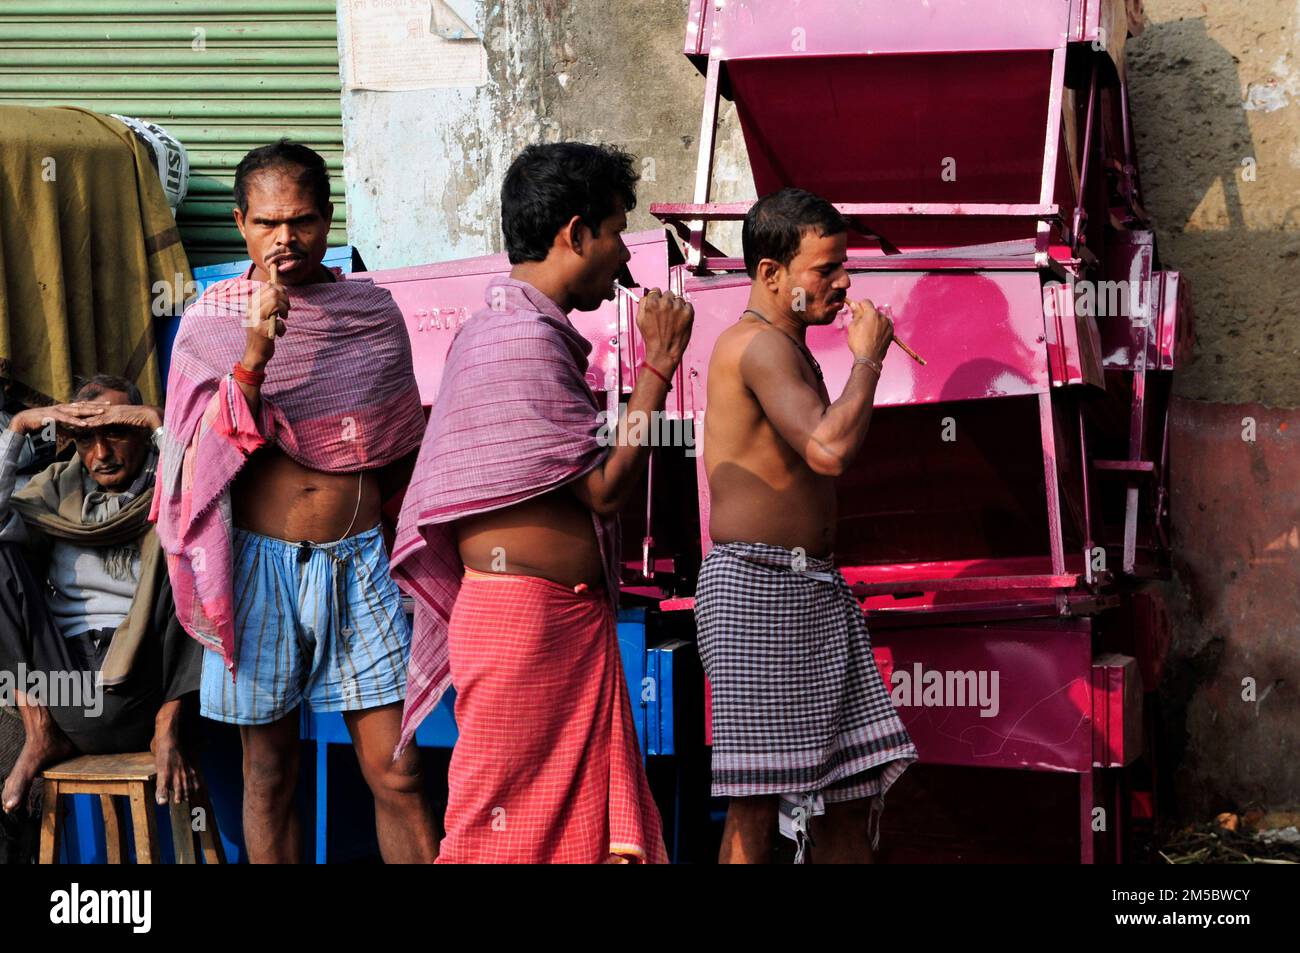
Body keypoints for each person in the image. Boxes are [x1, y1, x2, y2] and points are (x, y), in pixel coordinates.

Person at [392, 142, 691, 863]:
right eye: (617, 232)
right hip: (522, 627)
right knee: (494, 831)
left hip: (559, 627)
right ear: (576, 232)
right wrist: (657, 368)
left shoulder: (502, 332)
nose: (624, 260)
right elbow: (607, 490)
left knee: (580, 838)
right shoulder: (519, 340)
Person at [153, 140, 438, 862]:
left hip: (360, 565)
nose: (288, 238)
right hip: (256, 572)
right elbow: (193, 468)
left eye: (304, 220)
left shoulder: (370, 317)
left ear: (327, 218)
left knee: (398, 770)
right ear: (242, 222)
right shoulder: (212, 322)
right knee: (267, 772)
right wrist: (251, 359)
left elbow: (403, 448)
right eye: (270, 222)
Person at [695, 187, 917, 863]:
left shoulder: (786, 346)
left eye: (844, 264)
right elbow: (829, 449)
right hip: (759, 591)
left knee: (850, 789)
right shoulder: (759, 346)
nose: (845, 281)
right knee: (755, 803)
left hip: (813, 590)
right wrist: (870, 359)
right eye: (826, 268)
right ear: (770, 274)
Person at [0, 376, 202, 818]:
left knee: (192, 547)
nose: (101, 453)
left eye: (116, 431)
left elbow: (199, 498)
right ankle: (39, 730)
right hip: (64, 688)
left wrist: (155, 422)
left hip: (142, 691)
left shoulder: (167, 486)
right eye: (86, 438)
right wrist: (17, 428)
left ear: (143, 437)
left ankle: (170, 725)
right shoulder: (55, 490)